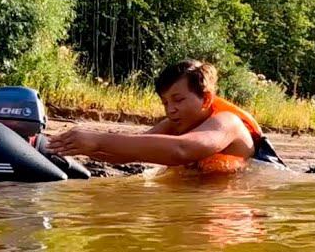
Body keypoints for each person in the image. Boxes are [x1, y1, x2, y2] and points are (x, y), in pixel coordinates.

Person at [49, 59, 285, 173]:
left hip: (235, 205)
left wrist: (97, 138)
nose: (170, 109)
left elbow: (181, 151)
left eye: (178, 100)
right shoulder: (174, 124)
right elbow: (125, 153)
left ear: (206, 98)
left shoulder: (228, 123)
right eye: (165, 102)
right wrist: (72, 146)